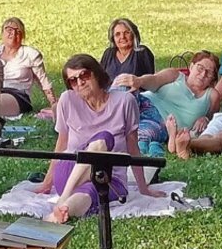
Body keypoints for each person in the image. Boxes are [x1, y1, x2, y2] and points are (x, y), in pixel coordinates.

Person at [37, 54, 156, 221]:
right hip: (69, 170)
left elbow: (133, 147)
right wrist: (46, 184)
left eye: (84, 75)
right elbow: (61, 144)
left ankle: (57, 215)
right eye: (73, 80)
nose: (79, 83)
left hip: (110, 178)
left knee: (92, 193)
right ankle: (64, 197)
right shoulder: (67, 100)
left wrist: (143, 188)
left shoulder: (125, 101)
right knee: (103, 139)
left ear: (97, 74)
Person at [124, 51, 222, 157]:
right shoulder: (175, 75)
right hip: (144, 102)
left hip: (161, 122)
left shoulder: (212, 95)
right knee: (123, 87)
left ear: (213, 79)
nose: (203, 74)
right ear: (191, 66)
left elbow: (213, 118)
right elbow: (154, 80)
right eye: (200, 68)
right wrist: (139, 80)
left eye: (209, 72)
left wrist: (205, 118)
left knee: (141, 137)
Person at [0, 17, 57, 119]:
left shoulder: (30, 54)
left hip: (18, 96)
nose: (13, 34)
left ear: (22, 36)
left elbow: (43, 81)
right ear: (2, 33)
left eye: (18, 32)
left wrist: (54, 104)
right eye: (9, 30)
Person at [101, 17, 156, 87]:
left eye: (126, 33)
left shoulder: (142, 52)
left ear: (133, 34)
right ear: (113, 38)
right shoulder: (108, 53)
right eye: (118, 34)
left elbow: (150, 81)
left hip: (134, 95)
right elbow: (100, 78)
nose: (122, 37)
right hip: (111, 94)